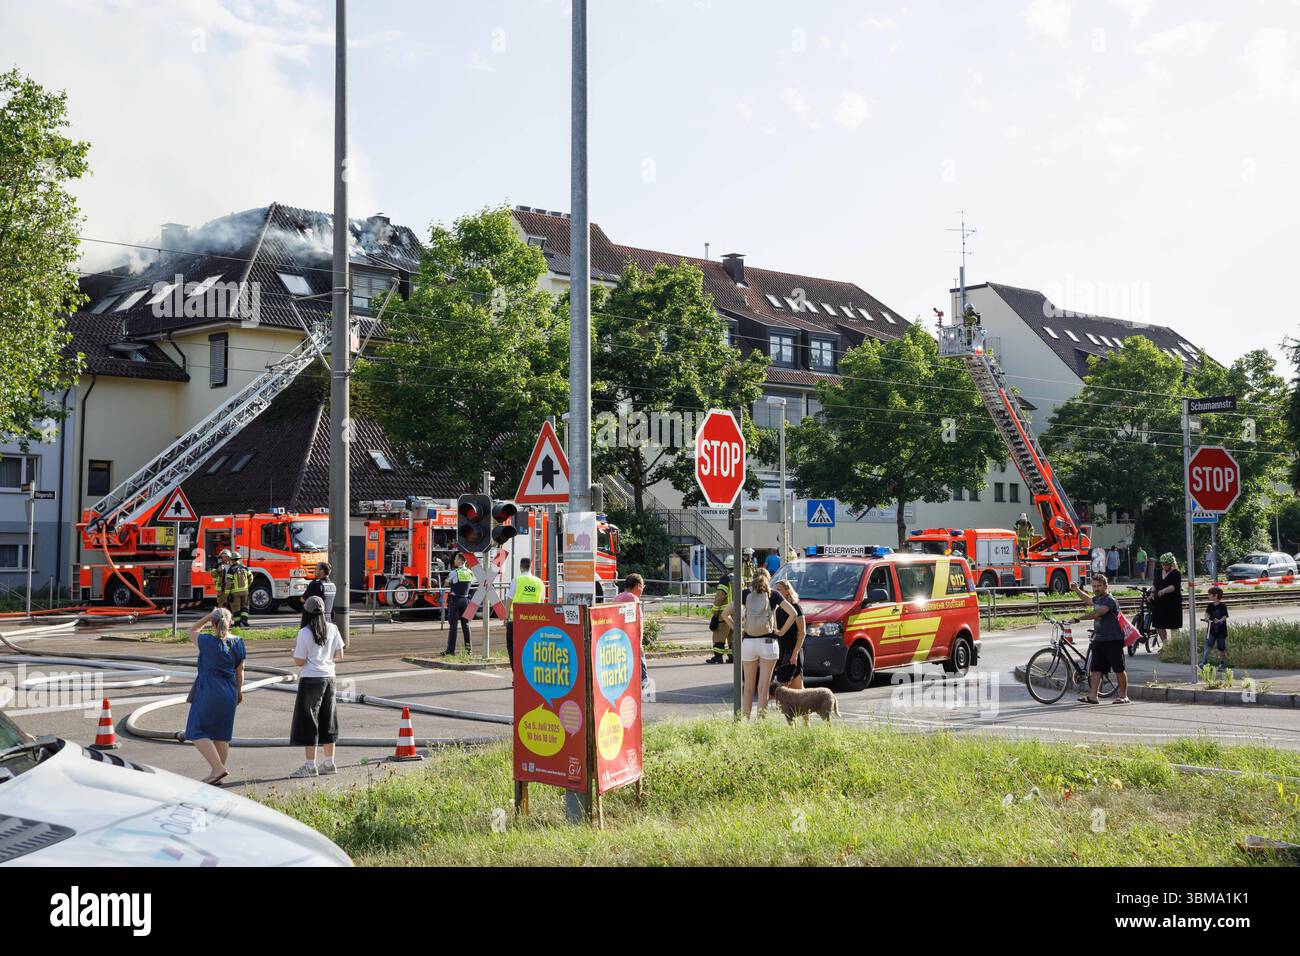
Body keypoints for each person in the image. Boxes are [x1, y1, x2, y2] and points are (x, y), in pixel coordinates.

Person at [720, 568, 796, 719]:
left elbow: (725, 614)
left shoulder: (745, 594)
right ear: (768, 579)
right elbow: (793, 613)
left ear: (753, 579)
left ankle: (745, 721)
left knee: (748, 687)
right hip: (769, 643)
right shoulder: (773, 594)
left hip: (748, 643)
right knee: (763, 688)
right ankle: (761, 724)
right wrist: (780, 631)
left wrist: (739, 628)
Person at [185, 607, 246, 786]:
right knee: (222, 735)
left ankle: (218, 768)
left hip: (210, 689)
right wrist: (239, 691)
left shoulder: (207, 641)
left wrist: (208, 616)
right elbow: (240, 671)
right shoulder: (239, 642)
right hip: (229, 690)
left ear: (213, 623)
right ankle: (216, 773)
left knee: (195, 730)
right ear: (231, 622)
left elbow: (191, 631)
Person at [289, 595, 346, 778]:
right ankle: (329, 762)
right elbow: (340, 655)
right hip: (329, 677)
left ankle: (310, 765)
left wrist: (294, 653)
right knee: (328, 719)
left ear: (306, 612)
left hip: (310, 679)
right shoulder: (333, 628)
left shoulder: (304, 632)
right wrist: (325, 659)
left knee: (309, 721)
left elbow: (299, 661)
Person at [1071, 573, 1129, 705]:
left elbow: (1097, 614)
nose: (1096, 589)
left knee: (1118, 669)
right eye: (1094, 586)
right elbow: (1087, 600)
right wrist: (1076, 589)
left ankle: (1123, 696)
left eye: (1099, 586)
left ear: (1105, 586)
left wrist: (1078, 619)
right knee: (1096, 669)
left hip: (1113, 639)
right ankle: (1093, 696)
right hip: (1099, 638)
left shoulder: (1110, 600)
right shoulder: (1098, 598)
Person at [504, 557, 544, 675]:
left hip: (515, 621)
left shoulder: (517, 580)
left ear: (521, 567)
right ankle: (530, 674)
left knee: (513, 648)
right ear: (531, 566)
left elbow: (509, 600)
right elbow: (542, 602)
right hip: (533, 622)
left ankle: (517, 674)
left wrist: (506, 617)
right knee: (530, 649)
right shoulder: (539, 582)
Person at [612, 572, 648, 688]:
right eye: (642, 586)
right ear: (638, 585)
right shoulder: (633, 598)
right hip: (632, 638)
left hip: (619, 636)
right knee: (641, 670)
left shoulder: (618, 597)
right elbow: (634, 620)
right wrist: (638, 640)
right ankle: (642, 682)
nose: (642, 589)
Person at [772, 578, 806, 690]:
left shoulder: (796, 607)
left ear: (787, 591)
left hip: (793, 650)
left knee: (798, 691)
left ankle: (803, 708)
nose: (776, 592)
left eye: (779, 589)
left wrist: (795, 653)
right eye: (775, 590)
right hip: (781, 652)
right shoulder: (778, 610)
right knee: (783, 690)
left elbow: (802, 633)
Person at [443, 552, 473, 656]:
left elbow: (446, 582)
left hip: (455, 600)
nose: (454, 560)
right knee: (466, 625)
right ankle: (469, 650)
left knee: (453, 626)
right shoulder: (470, 572)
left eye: (455, 559)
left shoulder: (454, 572)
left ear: (460, 560)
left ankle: (450, 650)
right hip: (466, 600)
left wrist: (447, 580)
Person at [707, 556, 735, 665]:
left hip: (724, 613)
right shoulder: (739, 578)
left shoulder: (725, 579)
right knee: (733, 635)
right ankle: (733, 657)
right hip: (737, 612)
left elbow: (720, 596)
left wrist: (714, 612)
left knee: (719, 635)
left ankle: (718, 657)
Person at [1152, 552, 1183, 646]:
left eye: (1166, 564)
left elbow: (1174, 586)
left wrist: (1163, 591)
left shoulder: (1176, 573)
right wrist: (1152, 592)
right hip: (1160, 602)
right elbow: (1155, 584)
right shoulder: (1157, 572)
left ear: (1171, 564)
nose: (1163, 566)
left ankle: (1175, 647)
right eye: (1162, 564)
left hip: (1173, 602)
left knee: (1173, 625)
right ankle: (1166, 646)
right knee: (1158, 624)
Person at [216, 549, 251, 628]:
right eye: (223, 557)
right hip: (239, 590)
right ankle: (242, 620)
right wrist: (247, 586)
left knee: (235, 608)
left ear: (230, 559)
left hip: (233, 591)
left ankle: (237, 624)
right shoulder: (244, 568)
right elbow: (251, 577)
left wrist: (227, 593)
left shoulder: (232, 568)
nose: (224, 558)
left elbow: (229, 582)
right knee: (243, 606)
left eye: (226, 557)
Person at [1201, 585, 1229, 668]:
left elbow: (1225, 616)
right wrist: (1206, 618)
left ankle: (1222, 662)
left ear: (1215, 595)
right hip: (1211, 630)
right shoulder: (1210, 606)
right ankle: (1205, 662)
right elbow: (1207, 613)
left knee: (1221, 647)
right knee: (1208, 645)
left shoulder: (1222, 606)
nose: (1208, 596)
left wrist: (1220, 620)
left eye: (1209, 594)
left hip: (1221, 630)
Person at [300, 562, 336, 627]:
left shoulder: (315, 584)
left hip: (316, 621)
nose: (314, 571)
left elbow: (303, 599)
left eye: (316, 569)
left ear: (321, 571)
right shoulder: (332, 585)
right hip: (328, 620)